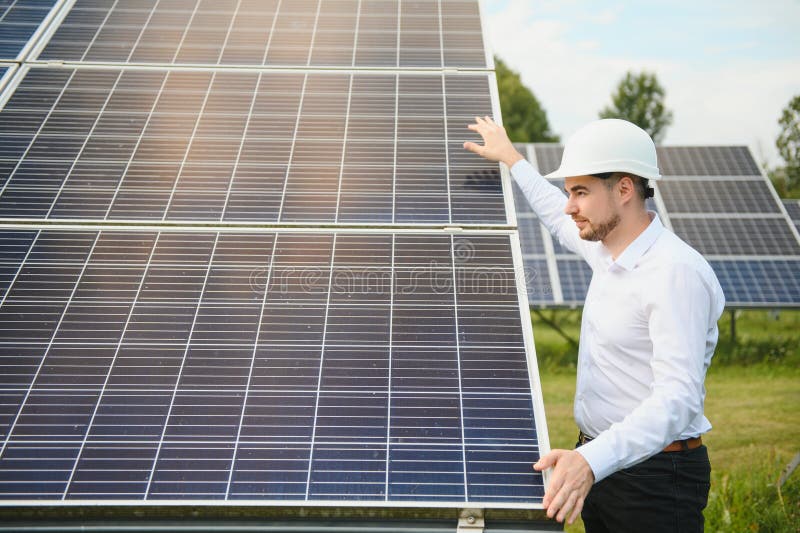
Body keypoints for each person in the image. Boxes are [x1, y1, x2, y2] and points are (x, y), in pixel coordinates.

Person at [464, 117, 725, 532]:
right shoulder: (606, 251)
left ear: (623, 189)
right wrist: (513, 159)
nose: (569, 205)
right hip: (601, 463)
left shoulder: (674, 273)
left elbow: (679, 399)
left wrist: (591, 460)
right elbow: (555, 214)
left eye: (580, 192)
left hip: (655, 480)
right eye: (570, 192)